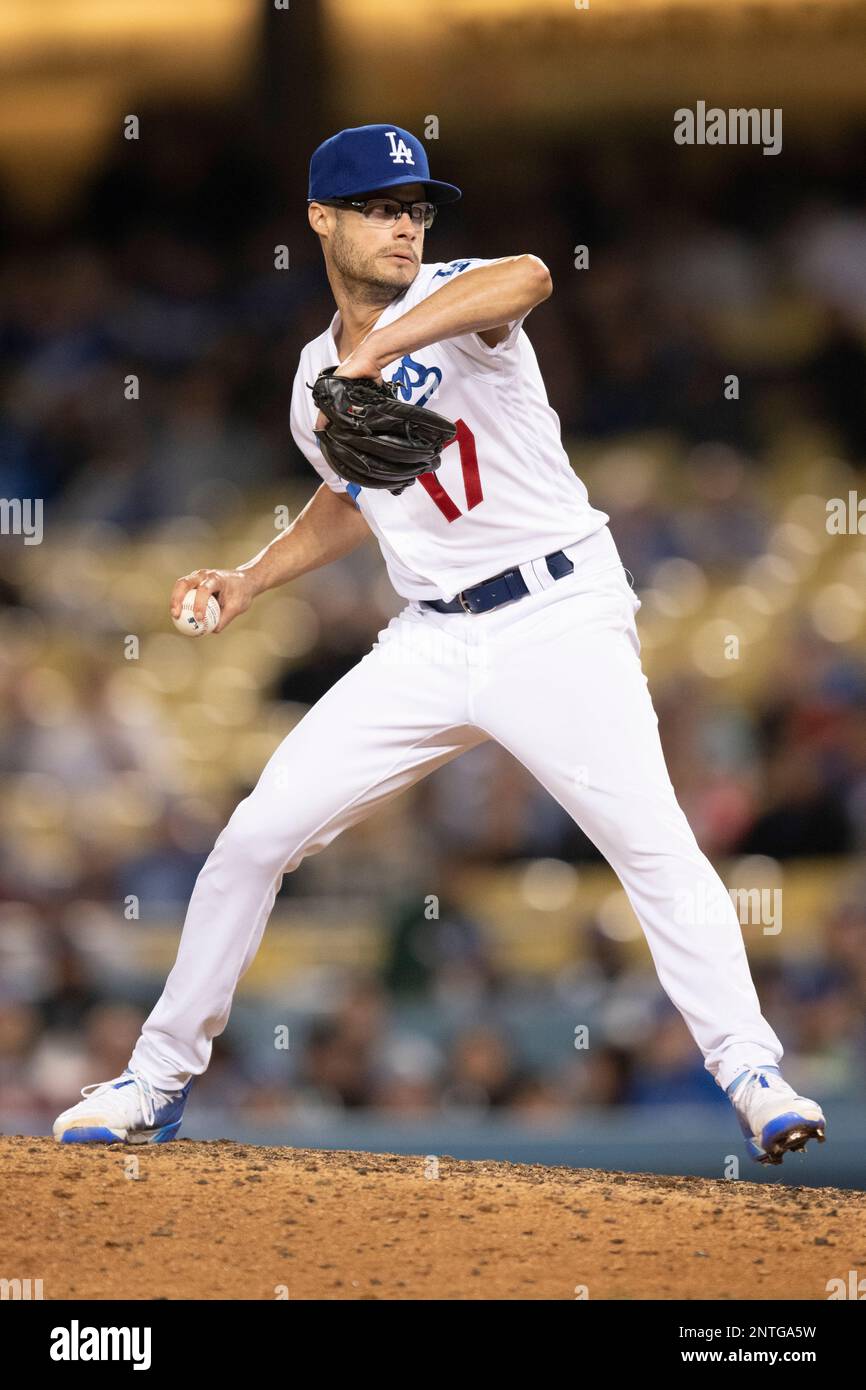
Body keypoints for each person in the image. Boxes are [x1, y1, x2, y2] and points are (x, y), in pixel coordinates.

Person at [54, 124, 826, 1166]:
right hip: (428, 636)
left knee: (651, 846)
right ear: (320, 219)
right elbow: (350, 500)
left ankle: (749, 1071)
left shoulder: (454, 299)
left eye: (415, 206)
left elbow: (531, 277)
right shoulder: (308, 382)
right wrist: (248, 578)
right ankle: (153, 1079)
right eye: (378, 207)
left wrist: (376, 349)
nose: (404, 225)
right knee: (251, 838)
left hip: (556, 616)